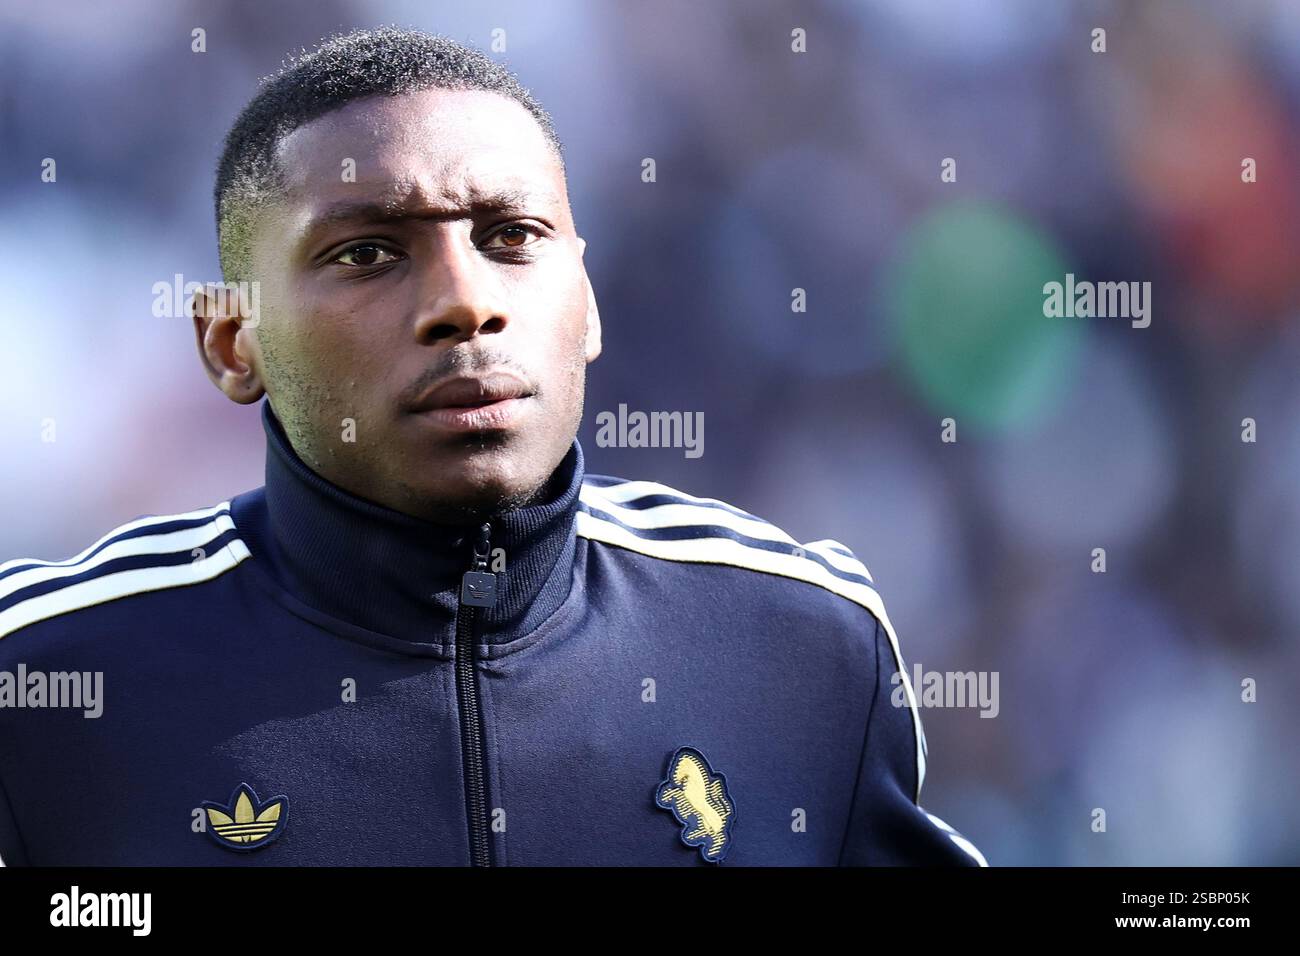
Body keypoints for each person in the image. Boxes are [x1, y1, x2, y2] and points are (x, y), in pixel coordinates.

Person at [0, 28, 984, 866]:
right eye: (367, 252)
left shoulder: (804, 643)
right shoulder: (48, 682)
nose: (465, 301)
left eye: (510, 236)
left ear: (588, 302)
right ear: (230, 340)